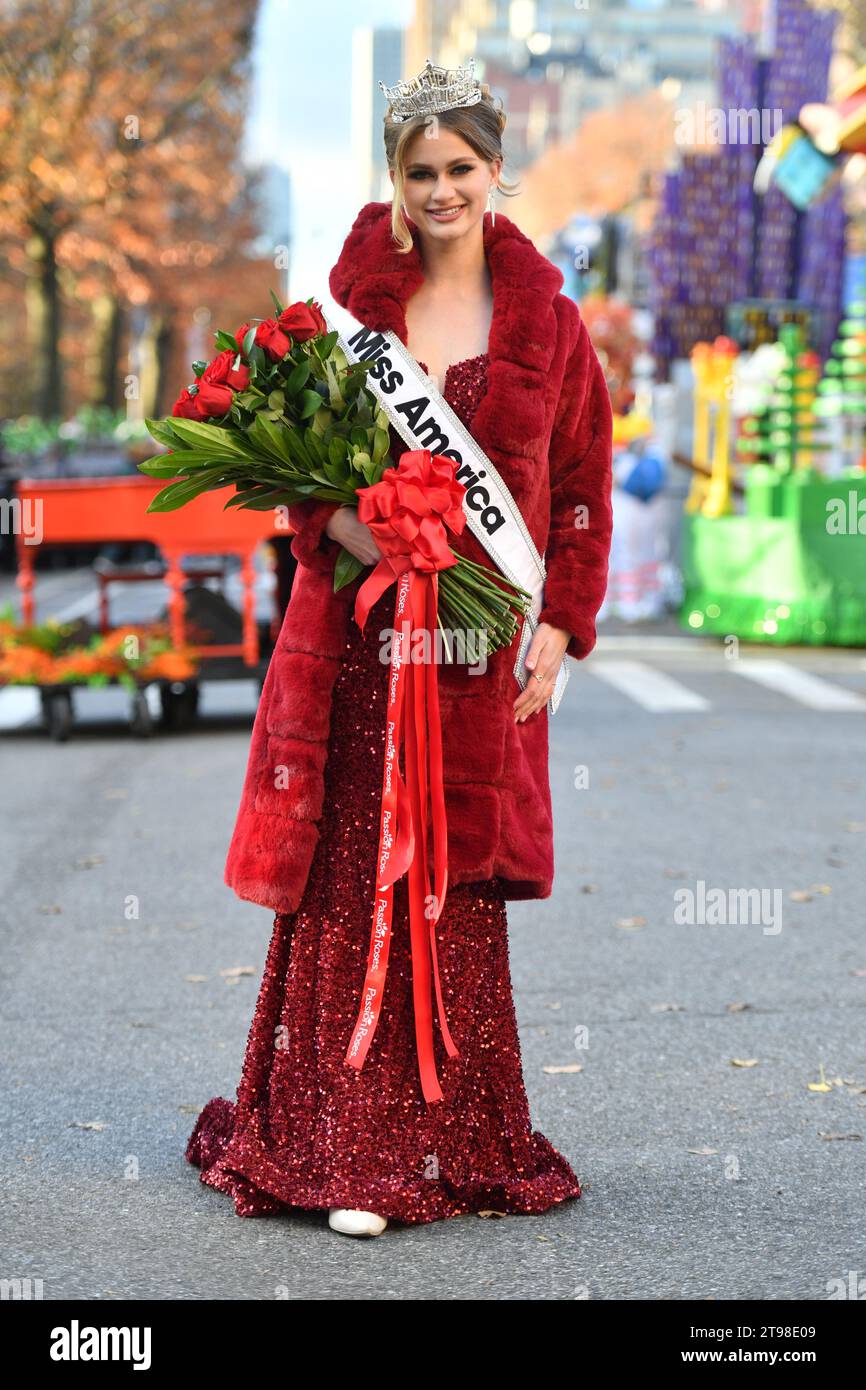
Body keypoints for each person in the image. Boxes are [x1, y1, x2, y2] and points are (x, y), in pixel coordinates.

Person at [186, 59, 613, 1237]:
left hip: (478, 656)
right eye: (419, 172)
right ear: (394, 180)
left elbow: (578, 495)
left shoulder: (551, 328)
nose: (440, 191)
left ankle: (454, 1139)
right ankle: (339, 1144)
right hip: (364, 652)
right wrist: (353, 523)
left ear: (493, 172)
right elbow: (289, 486)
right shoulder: (346, 325)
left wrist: (561, 633)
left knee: (452, 879)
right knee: (354, 874)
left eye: (460, 169)